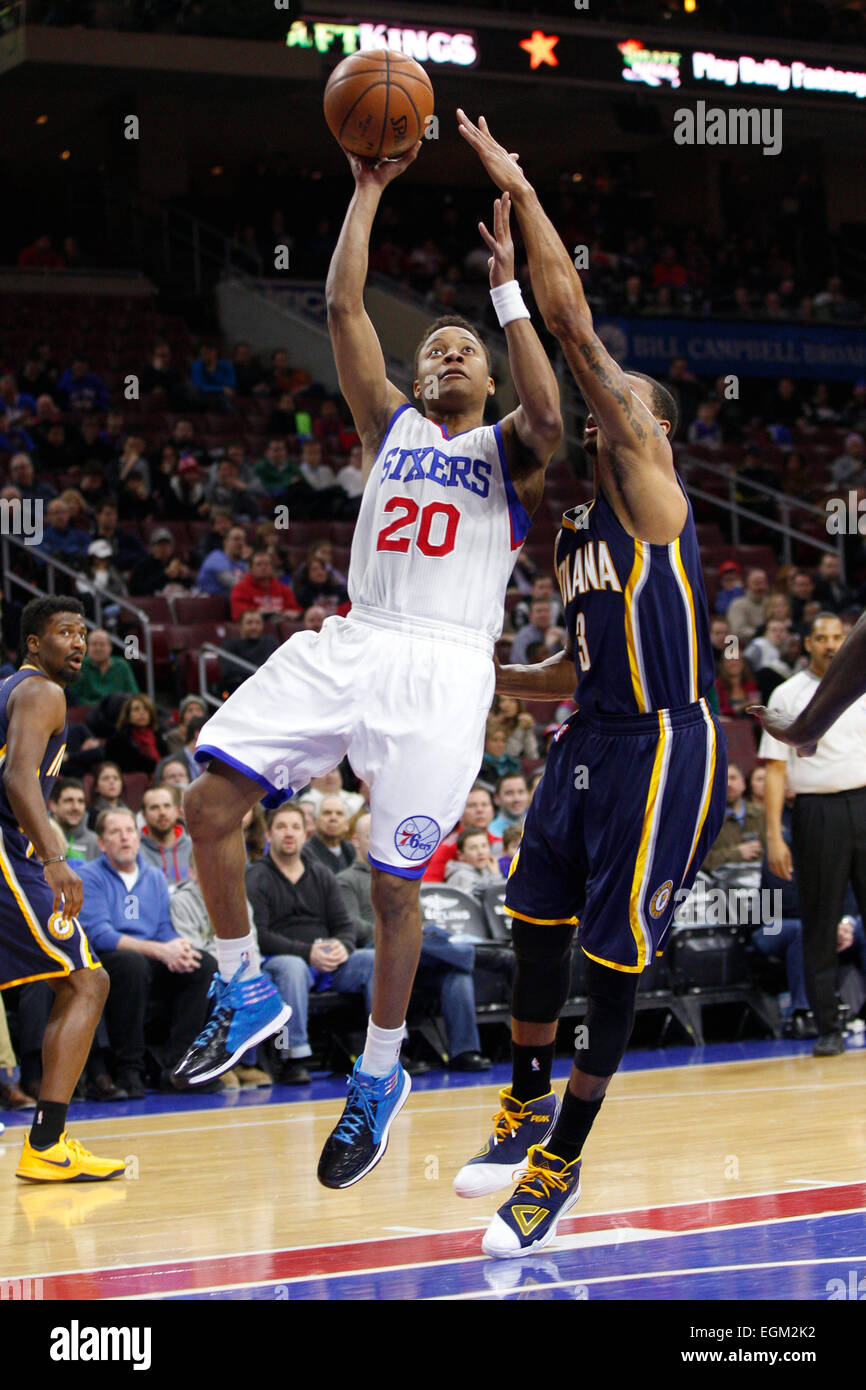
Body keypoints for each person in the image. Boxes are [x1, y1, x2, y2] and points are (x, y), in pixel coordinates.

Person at [173, 141, 562, 1197]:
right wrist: (366, 187)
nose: (441, 359)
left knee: (394, 891)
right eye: (431, 348)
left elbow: (552, 412)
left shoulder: (509, 457)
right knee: (207, 807)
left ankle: (379, 1076)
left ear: (484, 377)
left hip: (444, 669)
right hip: (354, 635)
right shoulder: (388, 424)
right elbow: (345, 312)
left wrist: (507, 297)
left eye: (459, 352)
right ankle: (245, 981)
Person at [452, 110, 727, 1257]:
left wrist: (519, 193)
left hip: (666, 744)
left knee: (612, 959)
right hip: (588, 734)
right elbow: (564, 663)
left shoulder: (650, 483)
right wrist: (481, 673)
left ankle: (559, 1161)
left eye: (628, 401)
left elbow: (572, 326)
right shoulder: (569, 522)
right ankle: (520, 1098)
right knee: (530, 918)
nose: (612, 406)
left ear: (647, 427)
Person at [0, 595, 124, 1181]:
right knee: (87, 980)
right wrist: (54, 857)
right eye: (65, 632)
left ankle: (48, 1140)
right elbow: (18, 776)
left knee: (79, 982)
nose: (77, 642)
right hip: (12, 855)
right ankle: (46, 1144)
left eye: (83, 632)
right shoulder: (41, 691)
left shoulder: (10, 690)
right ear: (33, 643)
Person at [755, 613, 866, 1056]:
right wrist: (774, 838)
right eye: (822, 638)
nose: (831, 645)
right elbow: (776, 772)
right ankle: (827, 1026)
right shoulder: (787, 693)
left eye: (838, 637)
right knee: (820, 921)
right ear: (807, 643)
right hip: (816, 811)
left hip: (864, 800)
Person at [77, 806, 217, 1096]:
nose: (124, 838)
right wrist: (158, 950)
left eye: (129, 831)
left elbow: (164, 927)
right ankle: (130, 1067)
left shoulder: (153, 877)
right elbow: (100, 935)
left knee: (202, 965)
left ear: (138, 837)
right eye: (115, 833)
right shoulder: (90, 876)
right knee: (132, 964)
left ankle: (176, 1065)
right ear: (102, 843)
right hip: (109, 961)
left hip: (149, 957)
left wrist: (179, 947)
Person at [139, 785, 193, 887]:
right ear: (143, 815)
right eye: (154, 808)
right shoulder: (135, 852)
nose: (162, 812)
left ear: (177, 811)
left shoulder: (195, 848)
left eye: (167, 806)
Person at [71, 628, 139, 707]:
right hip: (88, 714)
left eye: (102, 644)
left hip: (119, 713)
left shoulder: (122, 666)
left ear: (110, 647)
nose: (98, 648)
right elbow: (74, 699)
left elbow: (134, 695)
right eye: (94, 644)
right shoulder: (79, 666)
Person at [218, 609, 279, 697]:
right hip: (240, 691)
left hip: (269, 690)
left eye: (258, 623)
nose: (254, 626)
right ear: (240, 626)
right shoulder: (229, 645)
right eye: (249, 622)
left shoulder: (270, 642)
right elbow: (228, 671)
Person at [105, 694, 169, 775]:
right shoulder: (117, 740)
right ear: (128, 715)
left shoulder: (159, 737)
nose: (142, 713)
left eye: (146, 709)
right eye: (136, 709)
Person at [47, 776, 100, 862]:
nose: (76, 807)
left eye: (80, 801)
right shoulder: (39, 838)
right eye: (69, 800)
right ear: (53, 805)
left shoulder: (95, 843)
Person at [444, 827, 505, 896]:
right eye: (473, 848)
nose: (481, 852)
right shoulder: (461, 876)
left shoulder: (488, 870)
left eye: (484, 846)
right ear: (461, 855)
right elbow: (490, 899)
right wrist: (495, 875)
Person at [304, 795, 357, 874]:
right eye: (327, 813)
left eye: (339, 813)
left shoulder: (354, 851)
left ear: (347, 824)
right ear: (315, 822)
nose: (333, 818)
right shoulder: (304, 854)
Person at [488, 773, 530, 839]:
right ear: (497, 798)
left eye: (521, 792)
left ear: (528, 794)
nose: (516, 799)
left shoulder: (539, 827)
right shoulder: (489, 833)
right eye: (509, 793)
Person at [87, 761, 126, 830]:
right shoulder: (90, 815)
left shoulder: (127, 811)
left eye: (116, 778)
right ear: (96, 787)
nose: (112, 782)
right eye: (105, 778)